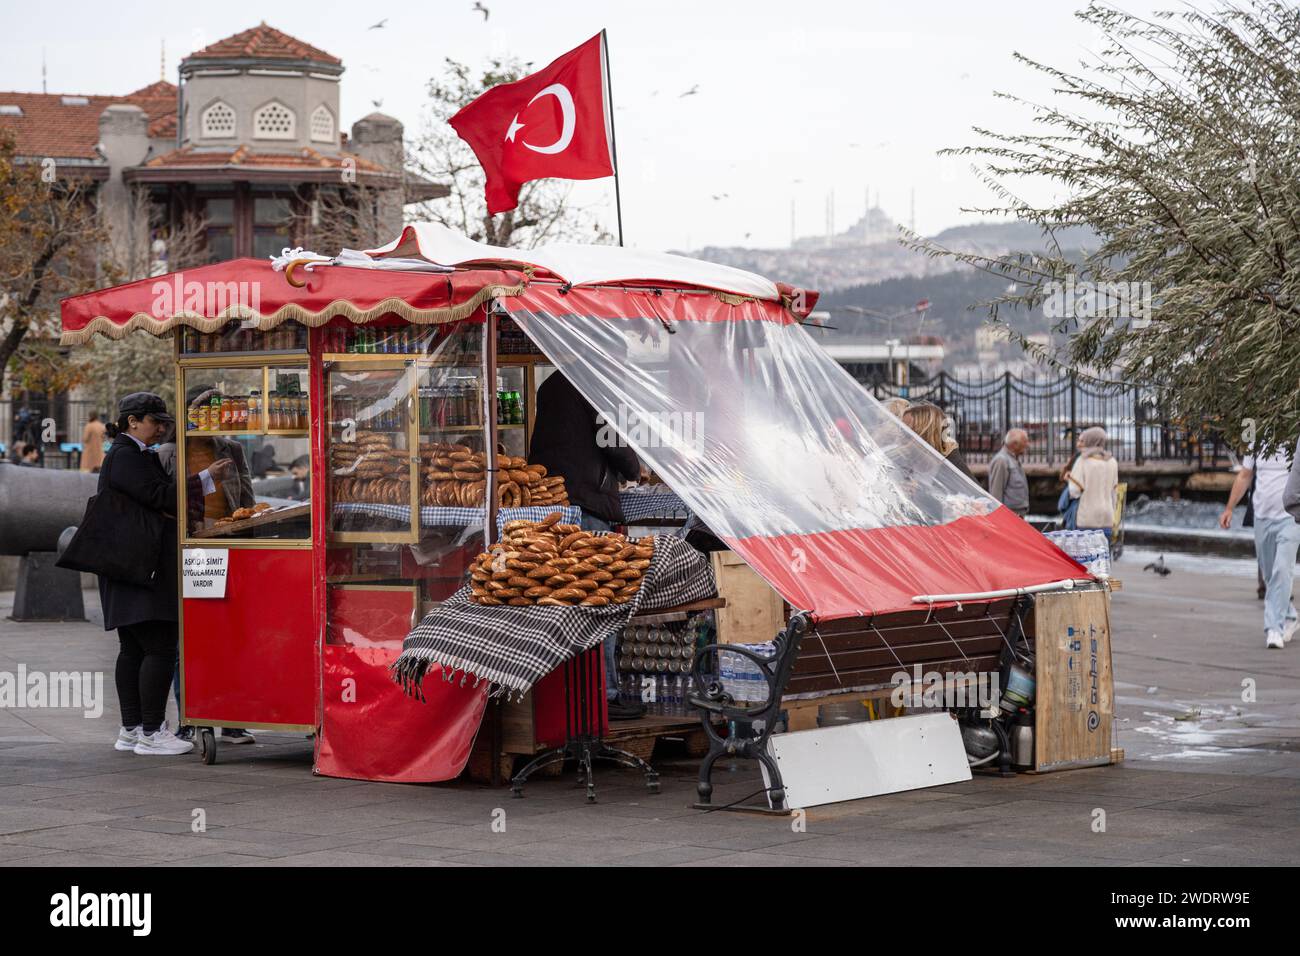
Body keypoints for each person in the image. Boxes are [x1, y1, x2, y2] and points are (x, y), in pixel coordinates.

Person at [97, 392, 234, 755]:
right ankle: (152, 732)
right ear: (132, 421)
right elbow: (160, 496)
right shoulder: (127, 457)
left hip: (128, 565)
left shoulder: (129, 454)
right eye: (155, 422)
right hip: (142, 566)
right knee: (158, 647)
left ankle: (132, 729)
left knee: (133, 649)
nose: (161, 429)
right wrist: (205, 477)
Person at [529, 370, 644, 719]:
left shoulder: (552, 384)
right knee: (601, 601)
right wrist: (633, 469)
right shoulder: (593, 381)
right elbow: (612, 442)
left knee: (564, 601)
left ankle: (570, 695)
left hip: (552, 503)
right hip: (587, 505)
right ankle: (603, 696)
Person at [1222, 441, 1299, 649]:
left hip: (1290, 516)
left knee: (1283, 570)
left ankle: (1274, 628)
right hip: (1262, 516)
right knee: (1269, 574)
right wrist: (1229, 508)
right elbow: (1245, 475)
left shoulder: (1295, 437)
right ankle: (1290, 615)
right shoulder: (1258, 439)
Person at [1065, 427, 1119, 539]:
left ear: (1090, 441)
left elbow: (1074, 491)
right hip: (1107, 518)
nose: (1079, 444)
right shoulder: (1112, 462)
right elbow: (1114, 492)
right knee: (1104, 554)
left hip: (1087, 518)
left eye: (1083, 440)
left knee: (1084, 555)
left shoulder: (1083, 461)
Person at [901, 401, 975, 480]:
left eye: (907, 434)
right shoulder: (909, 461)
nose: (901, 438)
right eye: (901, 430)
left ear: (926, 435)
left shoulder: (953, 474)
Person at [987, 428, 1030, 517]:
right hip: (1010, 516)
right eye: (1025, 442)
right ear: (1015, 444)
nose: (1027, 445)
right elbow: (996, 493)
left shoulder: (1012, 458)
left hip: (1017, 515)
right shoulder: (1001, 461)